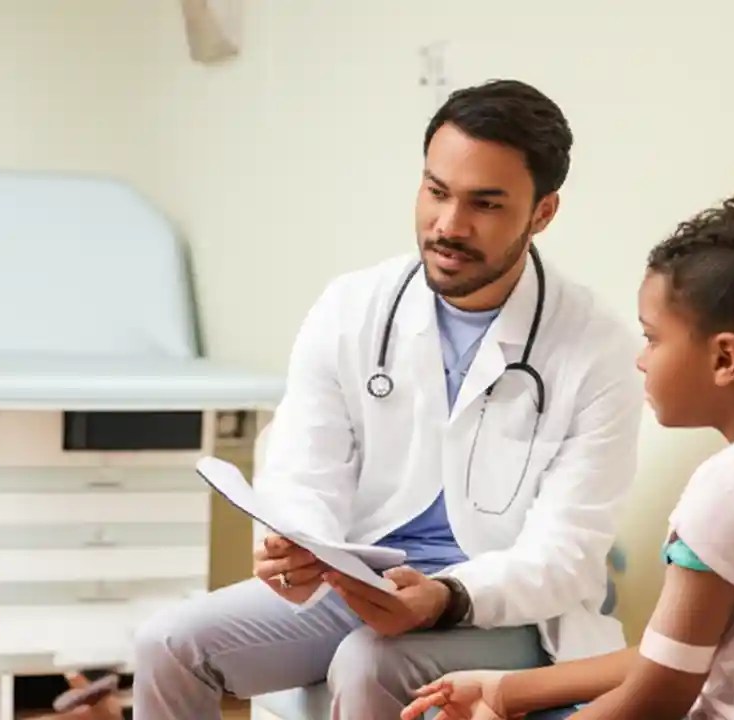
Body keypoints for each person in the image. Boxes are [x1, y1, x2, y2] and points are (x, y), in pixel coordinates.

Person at [132, 79, 645, 719]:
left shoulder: (598, 349)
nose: (448, 226)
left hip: (502, 605)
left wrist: (449, 595)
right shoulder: (354, 308)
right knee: (167, 645)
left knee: (369, 662)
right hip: (358, 584)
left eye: (484, 204)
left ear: (542, 213)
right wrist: (299, 543)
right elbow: (302, 462)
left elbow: (565, 554)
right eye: (436, 192)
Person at [404, 189, 734, 720]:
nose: (640, 360)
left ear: (723, 358)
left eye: (653, 338)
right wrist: (506, 691)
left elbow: (659, 696)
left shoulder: (731, 488)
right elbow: (671, 655)